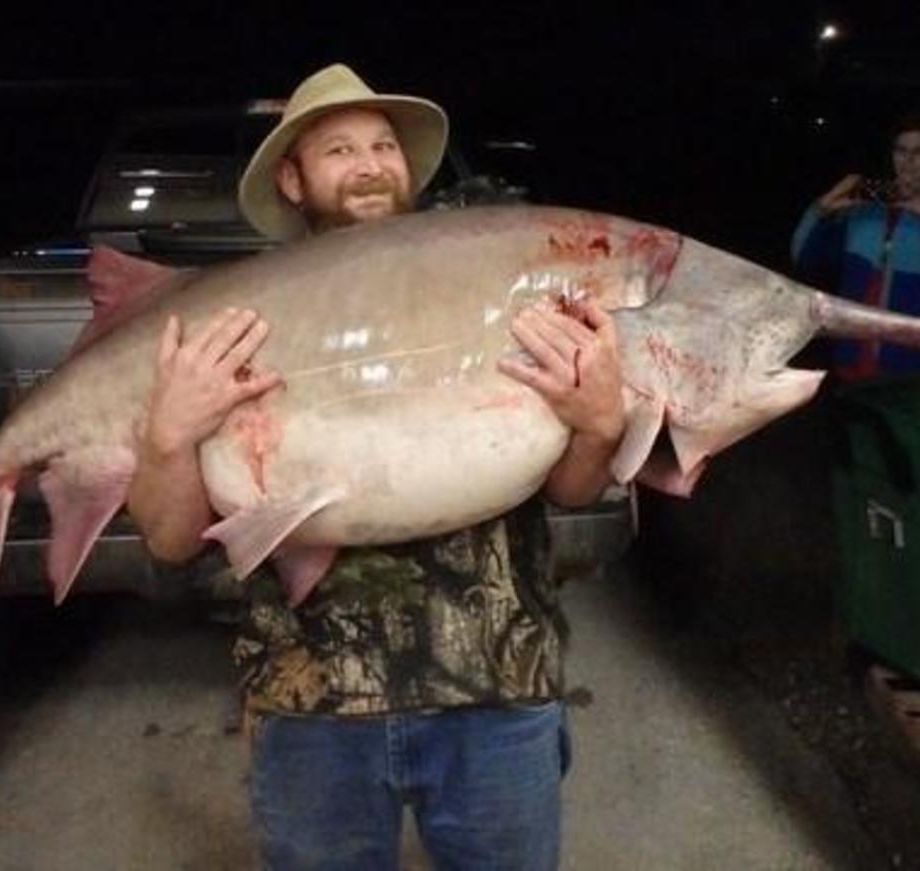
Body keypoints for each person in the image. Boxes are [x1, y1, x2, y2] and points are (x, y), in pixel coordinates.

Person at [126, 63, 625, 869]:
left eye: (384, 145)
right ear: (292, 178)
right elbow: (171, 538)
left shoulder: (502, 281)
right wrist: (166, 436)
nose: (369, 164)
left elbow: (570, 488)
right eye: (339, 149)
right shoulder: (231, 322)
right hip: (312, 702)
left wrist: (599, 426)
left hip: (498, 685)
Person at [791, 112, 920, 379]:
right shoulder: (865, 209)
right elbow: (802, 256)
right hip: (855, 350)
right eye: (901, 150)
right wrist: (820, 211)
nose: (908, 160)